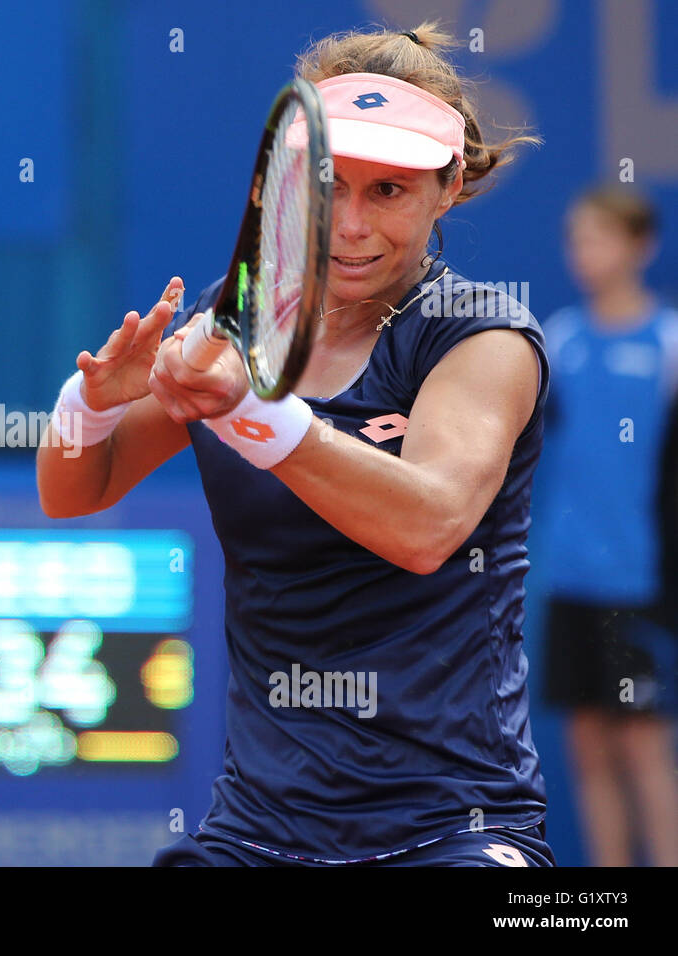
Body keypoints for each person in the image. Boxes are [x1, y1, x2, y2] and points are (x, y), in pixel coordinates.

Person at [37, 22, 553, 866]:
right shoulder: (235, 318)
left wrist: (256, 413)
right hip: (256, 832)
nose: (350, 224)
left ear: (448, 186)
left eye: (388, 191)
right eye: (329, 186)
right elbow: (73, 492)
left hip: (454, 829)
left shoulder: (481, 336)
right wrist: (87, 403)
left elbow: (428, 526)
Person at [538, 186, 678, 867]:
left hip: (642, 582)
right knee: (588, 746)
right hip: (571, 578)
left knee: (644, 746)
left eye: (600, 239)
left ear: (640, 248)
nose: (584, 255)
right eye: (577, 240)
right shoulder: (559, 341)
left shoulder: (671, 345)